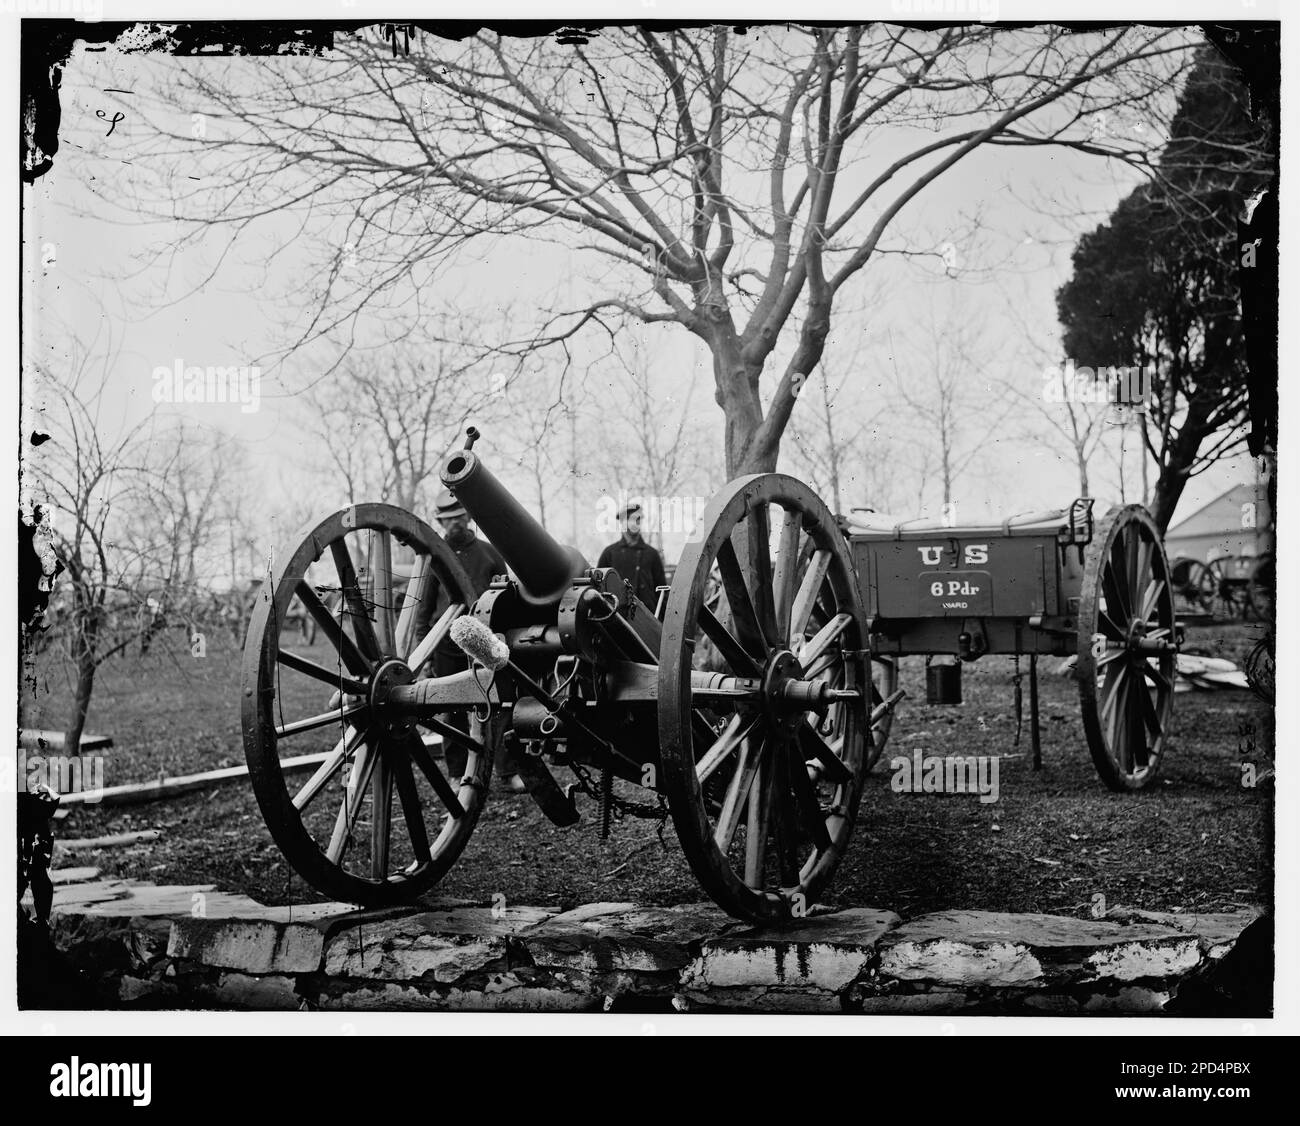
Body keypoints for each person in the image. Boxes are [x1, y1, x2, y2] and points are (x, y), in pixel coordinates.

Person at [426, 489, 525, 792]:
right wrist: (424, 649)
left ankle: (507, 772)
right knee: (451, 710)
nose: (454, 524)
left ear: (468, 517)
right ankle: (457, 774)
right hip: (446, 644)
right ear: (441, 522)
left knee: (499, 706)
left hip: (485, 642)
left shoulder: (489, 553)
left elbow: (508, 598)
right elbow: (424, 608)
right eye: (447, 520)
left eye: (458, 517)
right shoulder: (433, 558)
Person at [597, 502, 667, 611]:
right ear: (622, 522)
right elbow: (599, 590)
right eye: (629, 519)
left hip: (649, 618)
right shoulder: (610, 553)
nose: (634, 522)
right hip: (619, 618)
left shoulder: (652, 554)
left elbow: (663, 593)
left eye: (637, 519)